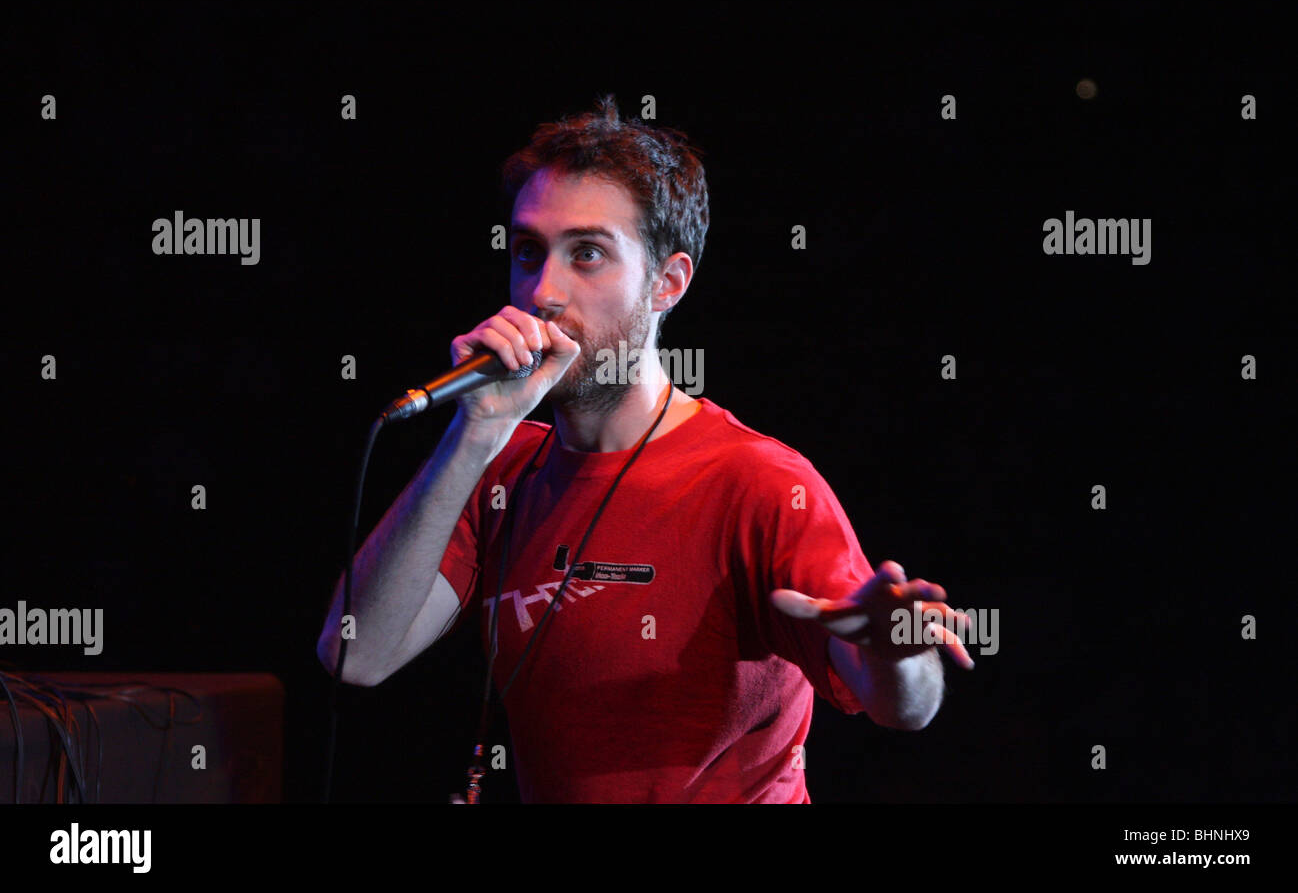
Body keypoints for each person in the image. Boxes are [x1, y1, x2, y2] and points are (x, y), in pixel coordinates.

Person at [316, 94, 973, 803]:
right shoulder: (496, 467)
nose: (542, 292)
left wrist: (898, 653)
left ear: (668, 283)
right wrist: (473, 432)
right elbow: (354, 654)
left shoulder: (757, 480)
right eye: (529, 252)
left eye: (587, 253)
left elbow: (902, 705)